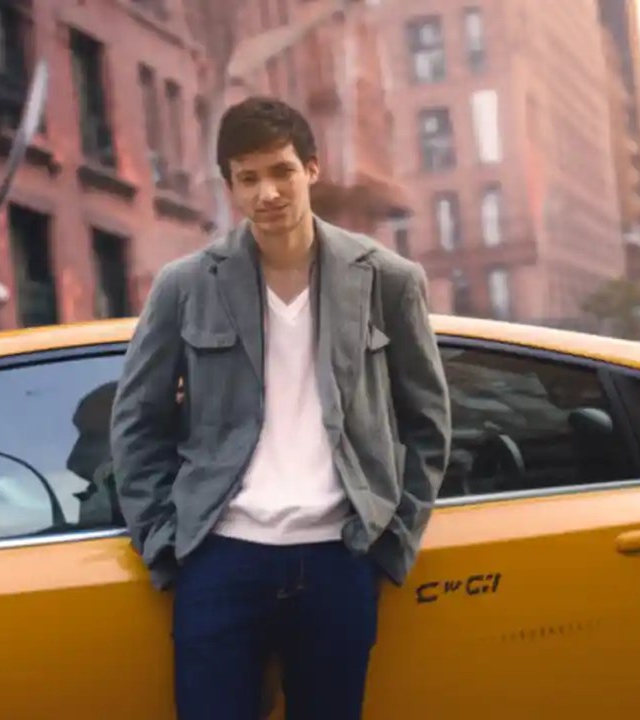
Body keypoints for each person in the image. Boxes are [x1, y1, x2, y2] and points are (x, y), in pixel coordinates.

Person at [110, 96, 451, 720]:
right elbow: (136, 420)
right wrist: (166, 543)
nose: (267, 192)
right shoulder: (185, 285)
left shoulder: (388, 280)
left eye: (281, 171)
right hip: (222, 556)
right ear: (230, 187)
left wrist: (393, 538)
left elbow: (428, 420)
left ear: (312, 170)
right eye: (249, 178)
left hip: (338, 556)